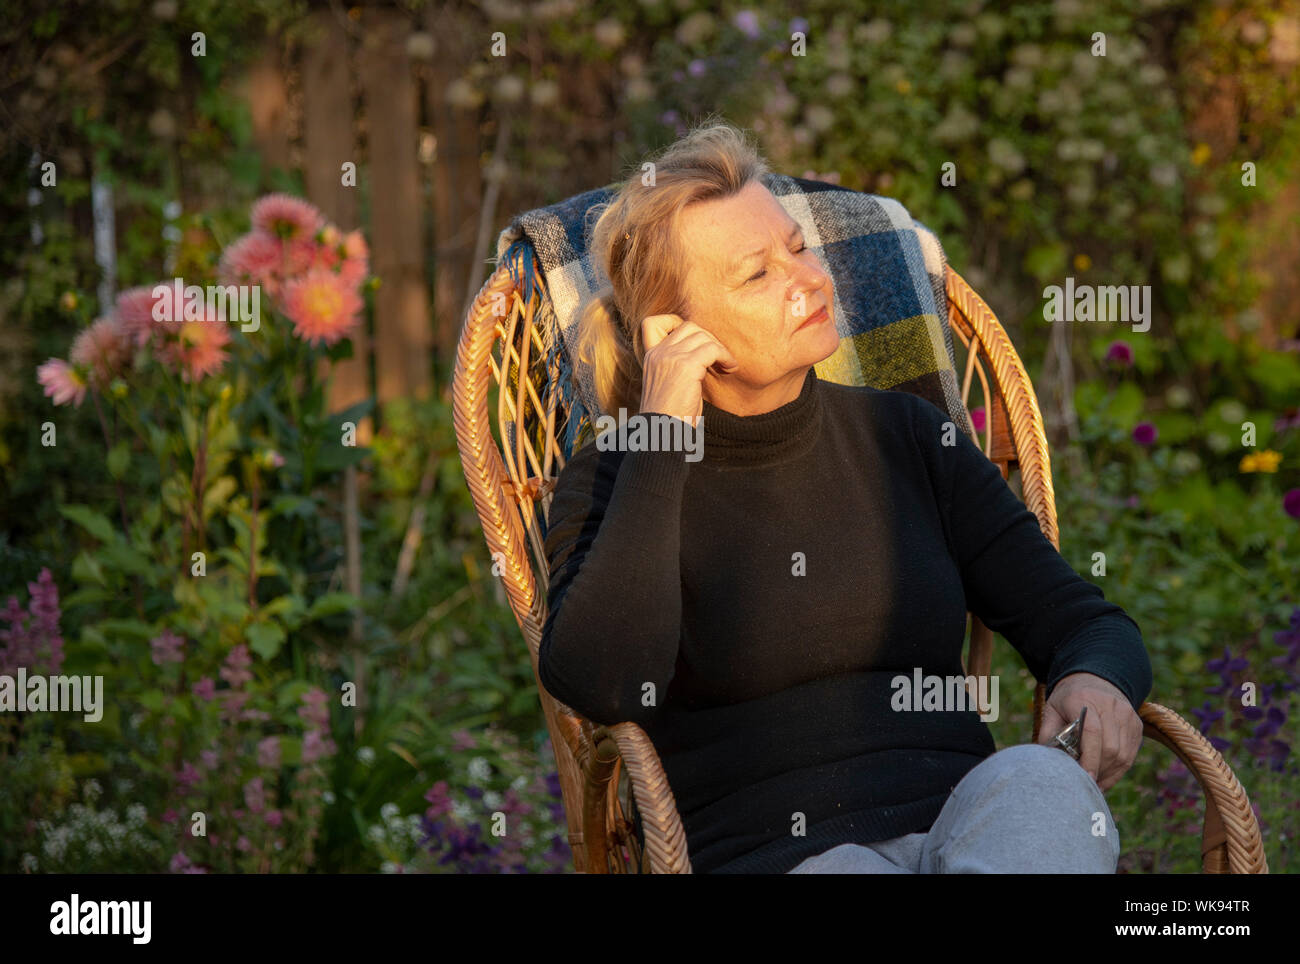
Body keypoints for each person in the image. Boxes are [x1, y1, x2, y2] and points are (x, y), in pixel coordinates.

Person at [538, 120, 1151, 874]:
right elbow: (604, 682)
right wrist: (663, 435)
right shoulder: (618, 475)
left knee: (1040, 781)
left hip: (968, 835)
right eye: (758, 273)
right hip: (785, 861)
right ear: (674, 330)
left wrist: (1096, 674)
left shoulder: (909, 437)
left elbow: (1083, 621)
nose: (809, 280)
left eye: (797, 248)